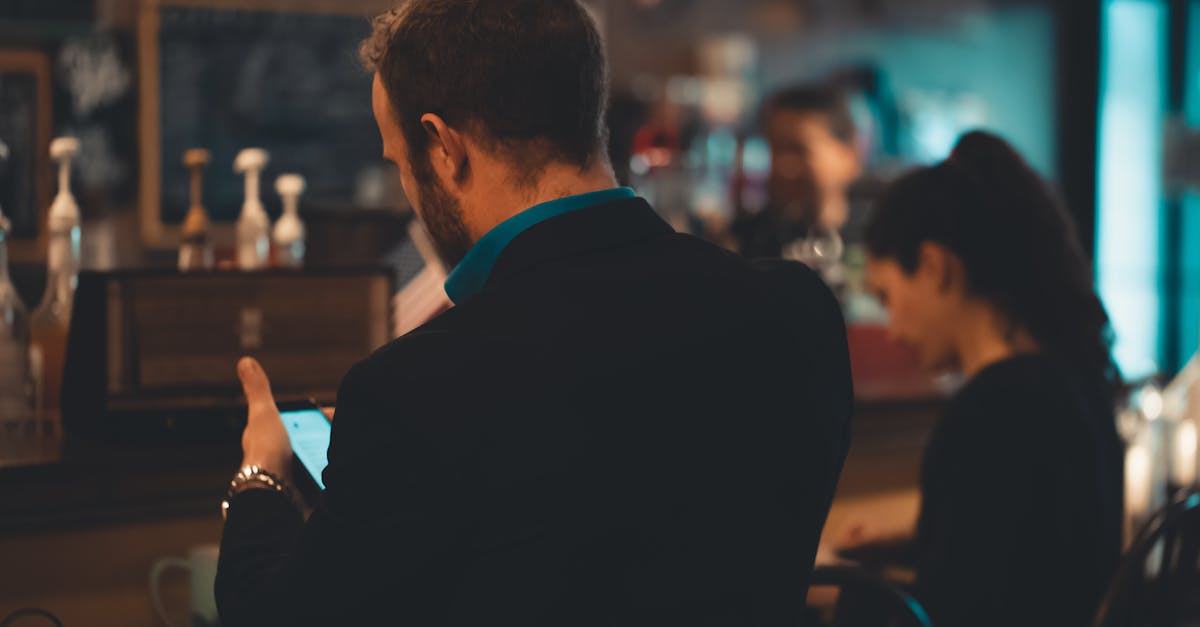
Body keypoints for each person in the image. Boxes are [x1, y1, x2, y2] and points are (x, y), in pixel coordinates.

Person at [214, 2, 854, 625]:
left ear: (442, 146)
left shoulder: (417, 389)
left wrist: (261, 475)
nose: (408, 187)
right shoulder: (795, 312)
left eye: (398, 162)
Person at [856, 131, 1124, 626]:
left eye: (888, 296)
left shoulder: (993, 409)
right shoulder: (1076, 381)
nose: (892, 330)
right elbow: (1029, 562)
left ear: (935, 268)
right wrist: (921, 542)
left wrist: (842, 599)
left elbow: (957, 611)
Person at [733, 84, 864, 260]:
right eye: (775, 149)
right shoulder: (744, 242)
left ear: (850, 154)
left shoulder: (877, 240)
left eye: (799, 150)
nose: (783, 166)